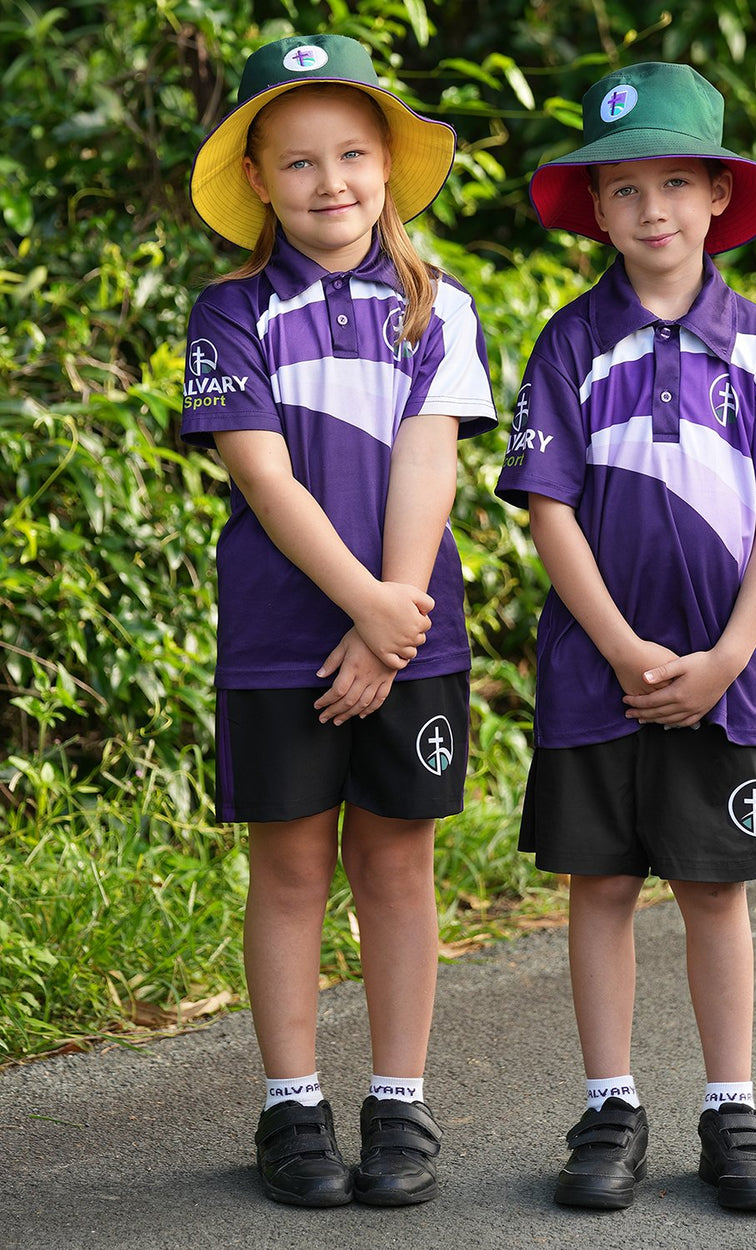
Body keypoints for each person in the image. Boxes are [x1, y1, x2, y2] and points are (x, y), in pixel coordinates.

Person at [495, 61, 756, 1213]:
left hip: (724, 678)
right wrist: (619, 648)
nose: (652, 209)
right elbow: (548, 507)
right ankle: (609, 1104)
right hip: (594, 678)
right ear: (595, 209)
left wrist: (728, 655)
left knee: (712, 888)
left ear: (714, 201)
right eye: (626, 188)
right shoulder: (567, 344)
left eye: (675, 184)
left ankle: (729, 1106)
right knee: (596, 886)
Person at [181, 33, 496, 1209]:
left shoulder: (437, 307)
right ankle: (291, 1106)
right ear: (259, 180)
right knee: (291, 862)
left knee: (397, 861)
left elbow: (431, 460)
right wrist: (361, 608)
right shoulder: (228, 314)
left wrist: (387, 624)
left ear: (386, 166)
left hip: (412, 634)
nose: (332, 183)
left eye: (353, 155)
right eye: (300, 162)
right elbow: (262, 475)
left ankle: (400, 1101)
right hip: (276, 635)